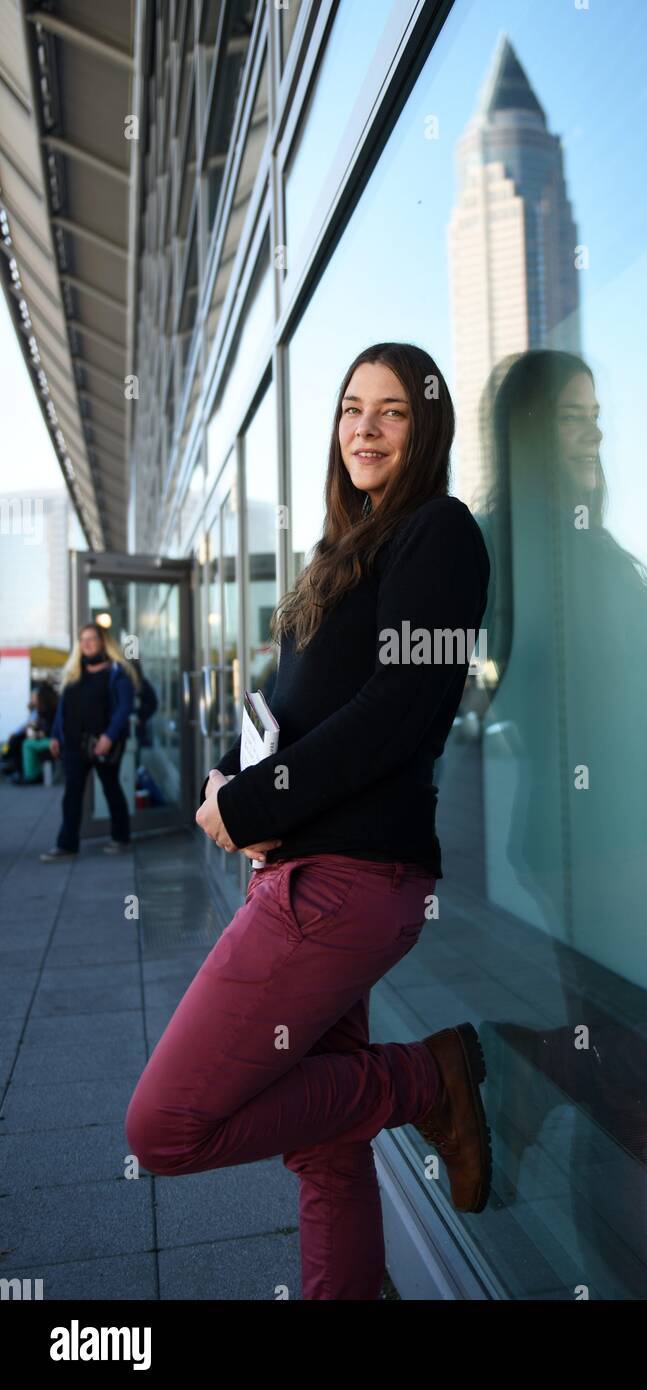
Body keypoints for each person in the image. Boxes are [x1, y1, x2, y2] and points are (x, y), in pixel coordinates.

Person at [125, 342, 493, 1300]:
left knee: (164, 1129)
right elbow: (284, 708)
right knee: (326, 1148)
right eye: (350, 410)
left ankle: (426, 1080)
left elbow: (403, 707)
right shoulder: (341, 553)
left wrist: (249, 806)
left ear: (428, 427)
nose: (364, 429)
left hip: (345, 885)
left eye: (392, 412)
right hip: (307, 876)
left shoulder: (440, 534)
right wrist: (219, 784)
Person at [39, 624, 139, 860]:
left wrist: (109, 736)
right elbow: (63, 709)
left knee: (111, 789)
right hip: (74, 744)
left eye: (92, 638)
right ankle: (67, 845)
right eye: (83, 639)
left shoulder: (117, 672)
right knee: (71, 794)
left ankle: (121, 838)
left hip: (104, 744)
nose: (87, 643)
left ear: (103, 642)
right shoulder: (74, 673)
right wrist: (55, 735)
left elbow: (124, 709)